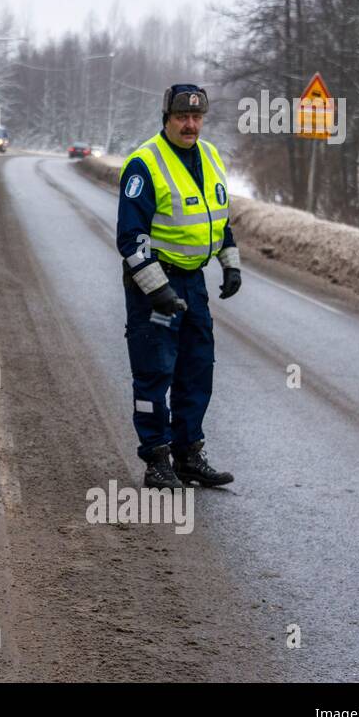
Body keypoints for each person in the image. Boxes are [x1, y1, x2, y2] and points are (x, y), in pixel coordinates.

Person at [116, 83, 241, 490]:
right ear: (166, 119)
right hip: (154, 282)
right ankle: (156, 458)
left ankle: (188, 454)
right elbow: (130, 237)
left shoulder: (209, 155)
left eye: (196, 117)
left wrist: (230, 263)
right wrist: (157, 289)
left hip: (193, 281)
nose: (190, 125)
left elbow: (218, 218)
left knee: (197, 368)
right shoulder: (144, 163)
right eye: (182, 117)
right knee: (155, 370)